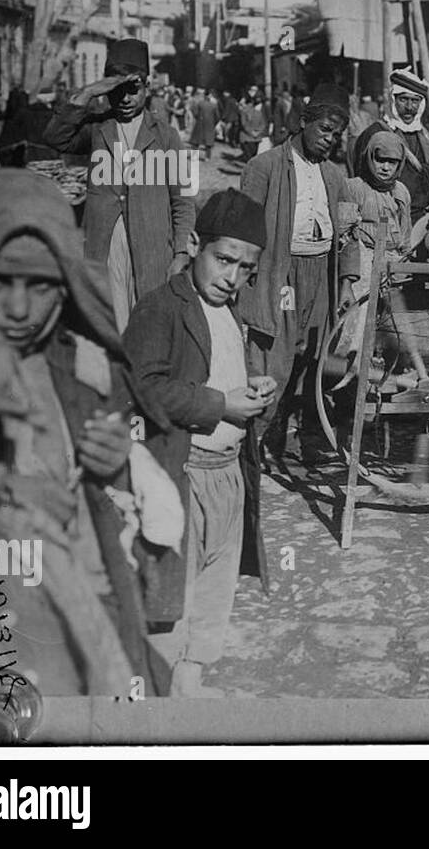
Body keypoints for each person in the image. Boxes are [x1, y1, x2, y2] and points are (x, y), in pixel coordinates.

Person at [0, 170, 173, 696]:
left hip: (93, 595)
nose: (17, 308)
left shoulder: (88, 367)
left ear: (65, 285)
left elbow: (126, 497)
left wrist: (118, 463)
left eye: (39, 285)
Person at [124, 189, 274, 697]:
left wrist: (253, 388)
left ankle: (190, 687)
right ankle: (158, 702)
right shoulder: (160, 308)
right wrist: (219, 406)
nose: (232, 276)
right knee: (171, 599)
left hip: (228, 474)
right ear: (194, 244)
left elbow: (224, 368)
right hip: (181, 473)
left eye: (245, 267)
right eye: (223, 259)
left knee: (214, 593)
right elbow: (143, 387)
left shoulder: (231, 310)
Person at [236, 83, 361, 459]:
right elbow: (243, 227)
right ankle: (251, 444)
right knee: (276, 359)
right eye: (324, 130)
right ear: (303, 122)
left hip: (321, 273)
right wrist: (247, 281)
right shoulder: (265, 167)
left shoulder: (335, 176)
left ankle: (296, 441)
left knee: (316, 361)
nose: (329, 140)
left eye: (336, 135)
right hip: (282, 274)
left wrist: (346, 282)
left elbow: (348, 233)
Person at [43, 38, 194, 332]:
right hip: (104, 248)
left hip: (151, 250)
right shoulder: (97, 129)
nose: (124, 99)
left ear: (147, 87)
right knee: (108, 325)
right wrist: (86, 93)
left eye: (132, 90)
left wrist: (180, 253)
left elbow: (183, 200)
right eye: (116, 91)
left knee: (149, 328)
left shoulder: (167, 137)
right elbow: (54, 138)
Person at [337, 130, 415, 358]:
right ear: (370, 158)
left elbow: (405, 230)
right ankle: (348, 364)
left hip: (392, 258)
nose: (385, 167)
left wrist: (404, 255)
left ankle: (386, 361)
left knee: (395, 315)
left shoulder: (401, 192)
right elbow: (345, 231)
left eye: (392, 162)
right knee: (359, 314)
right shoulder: (355, 187)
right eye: (380, 160)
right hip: (363, 256)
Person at [354, 69, 429, 227]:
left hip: (423, 220)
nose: (410, 107)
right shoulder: (375, 133)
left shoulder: (427, 137)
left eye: (415, 101)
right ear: (392, 99)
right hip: (385, 219)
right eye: (403, 99)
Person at [238, 89, 267, 163]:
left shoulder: (245, 111)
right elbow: (263, 124)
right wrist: (257, 132)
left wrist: (252, 132)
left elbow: (244, 124)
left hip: (248, 137)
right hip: (254, 138)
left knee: (250, 157)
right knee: (253, 156)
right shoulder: (258, 112)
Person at [191, 87, 219, 159]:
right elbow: (217, 117)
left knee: (196, 141)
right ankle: (207, 157)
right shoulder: (214, 105)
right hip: (209, 125)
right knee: (208, 142)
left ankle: (194, 156)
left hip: (200, 123)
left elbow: (195, 113)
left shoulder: (200, 104)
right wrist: (213, 123)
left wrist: (198, 118)